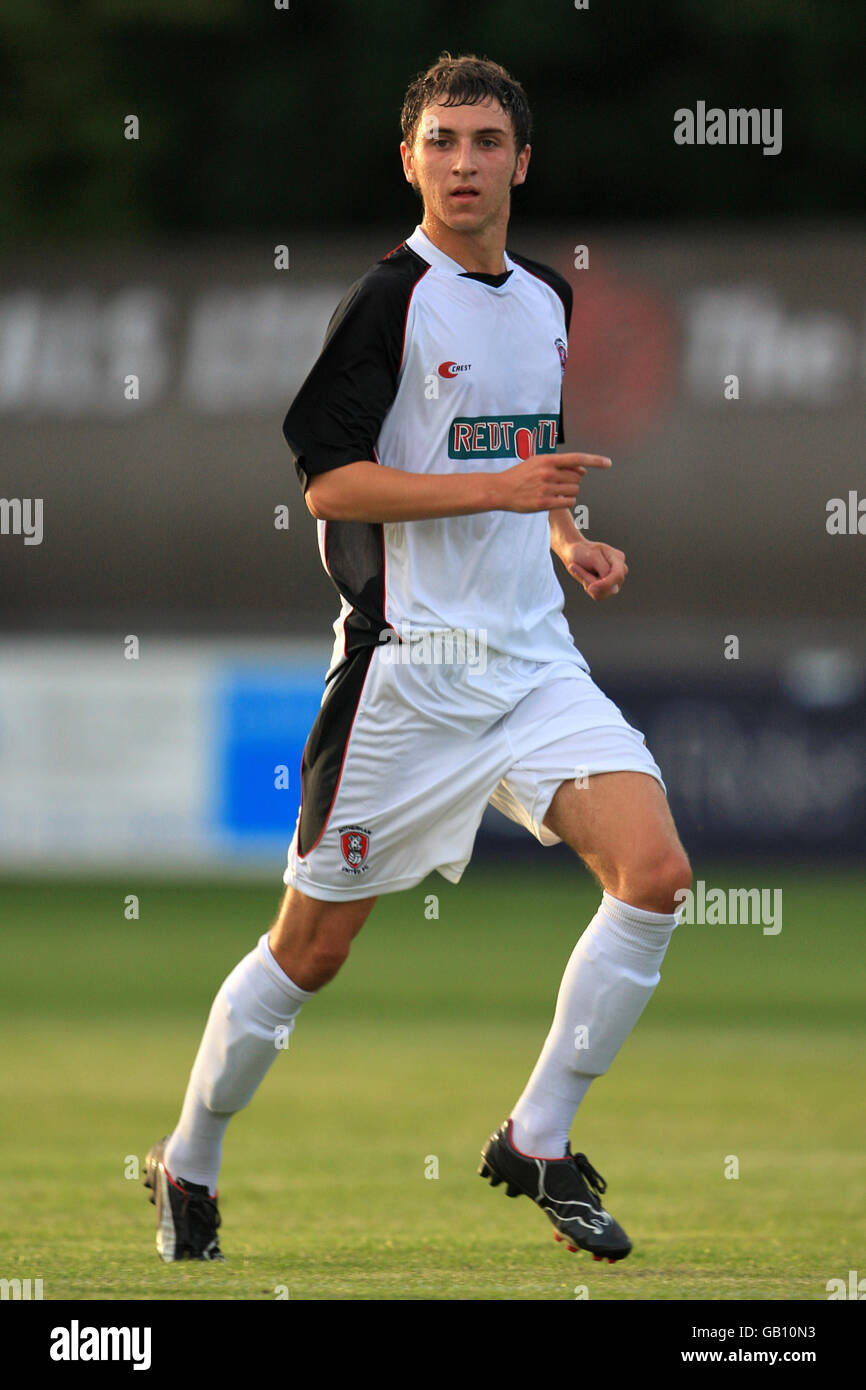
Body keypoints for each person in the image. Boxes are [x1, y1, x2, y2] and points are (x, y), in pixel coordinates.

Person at [144, 51, 691, 1266]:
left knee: (652, 873)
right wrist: (497, 487)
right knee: (310, 952)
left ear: (519, 162)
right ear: (409, 158)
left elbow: (522, 444)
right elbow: (329, 482)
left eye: (484, 141)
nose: (461, 163)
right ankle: (188, 1155)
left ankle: (535, 1140)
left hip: (531, 664)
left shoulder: (545, 297)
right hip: (405, 673)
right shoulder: (388, 299)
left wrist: (560, 532)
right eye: (439, 141)